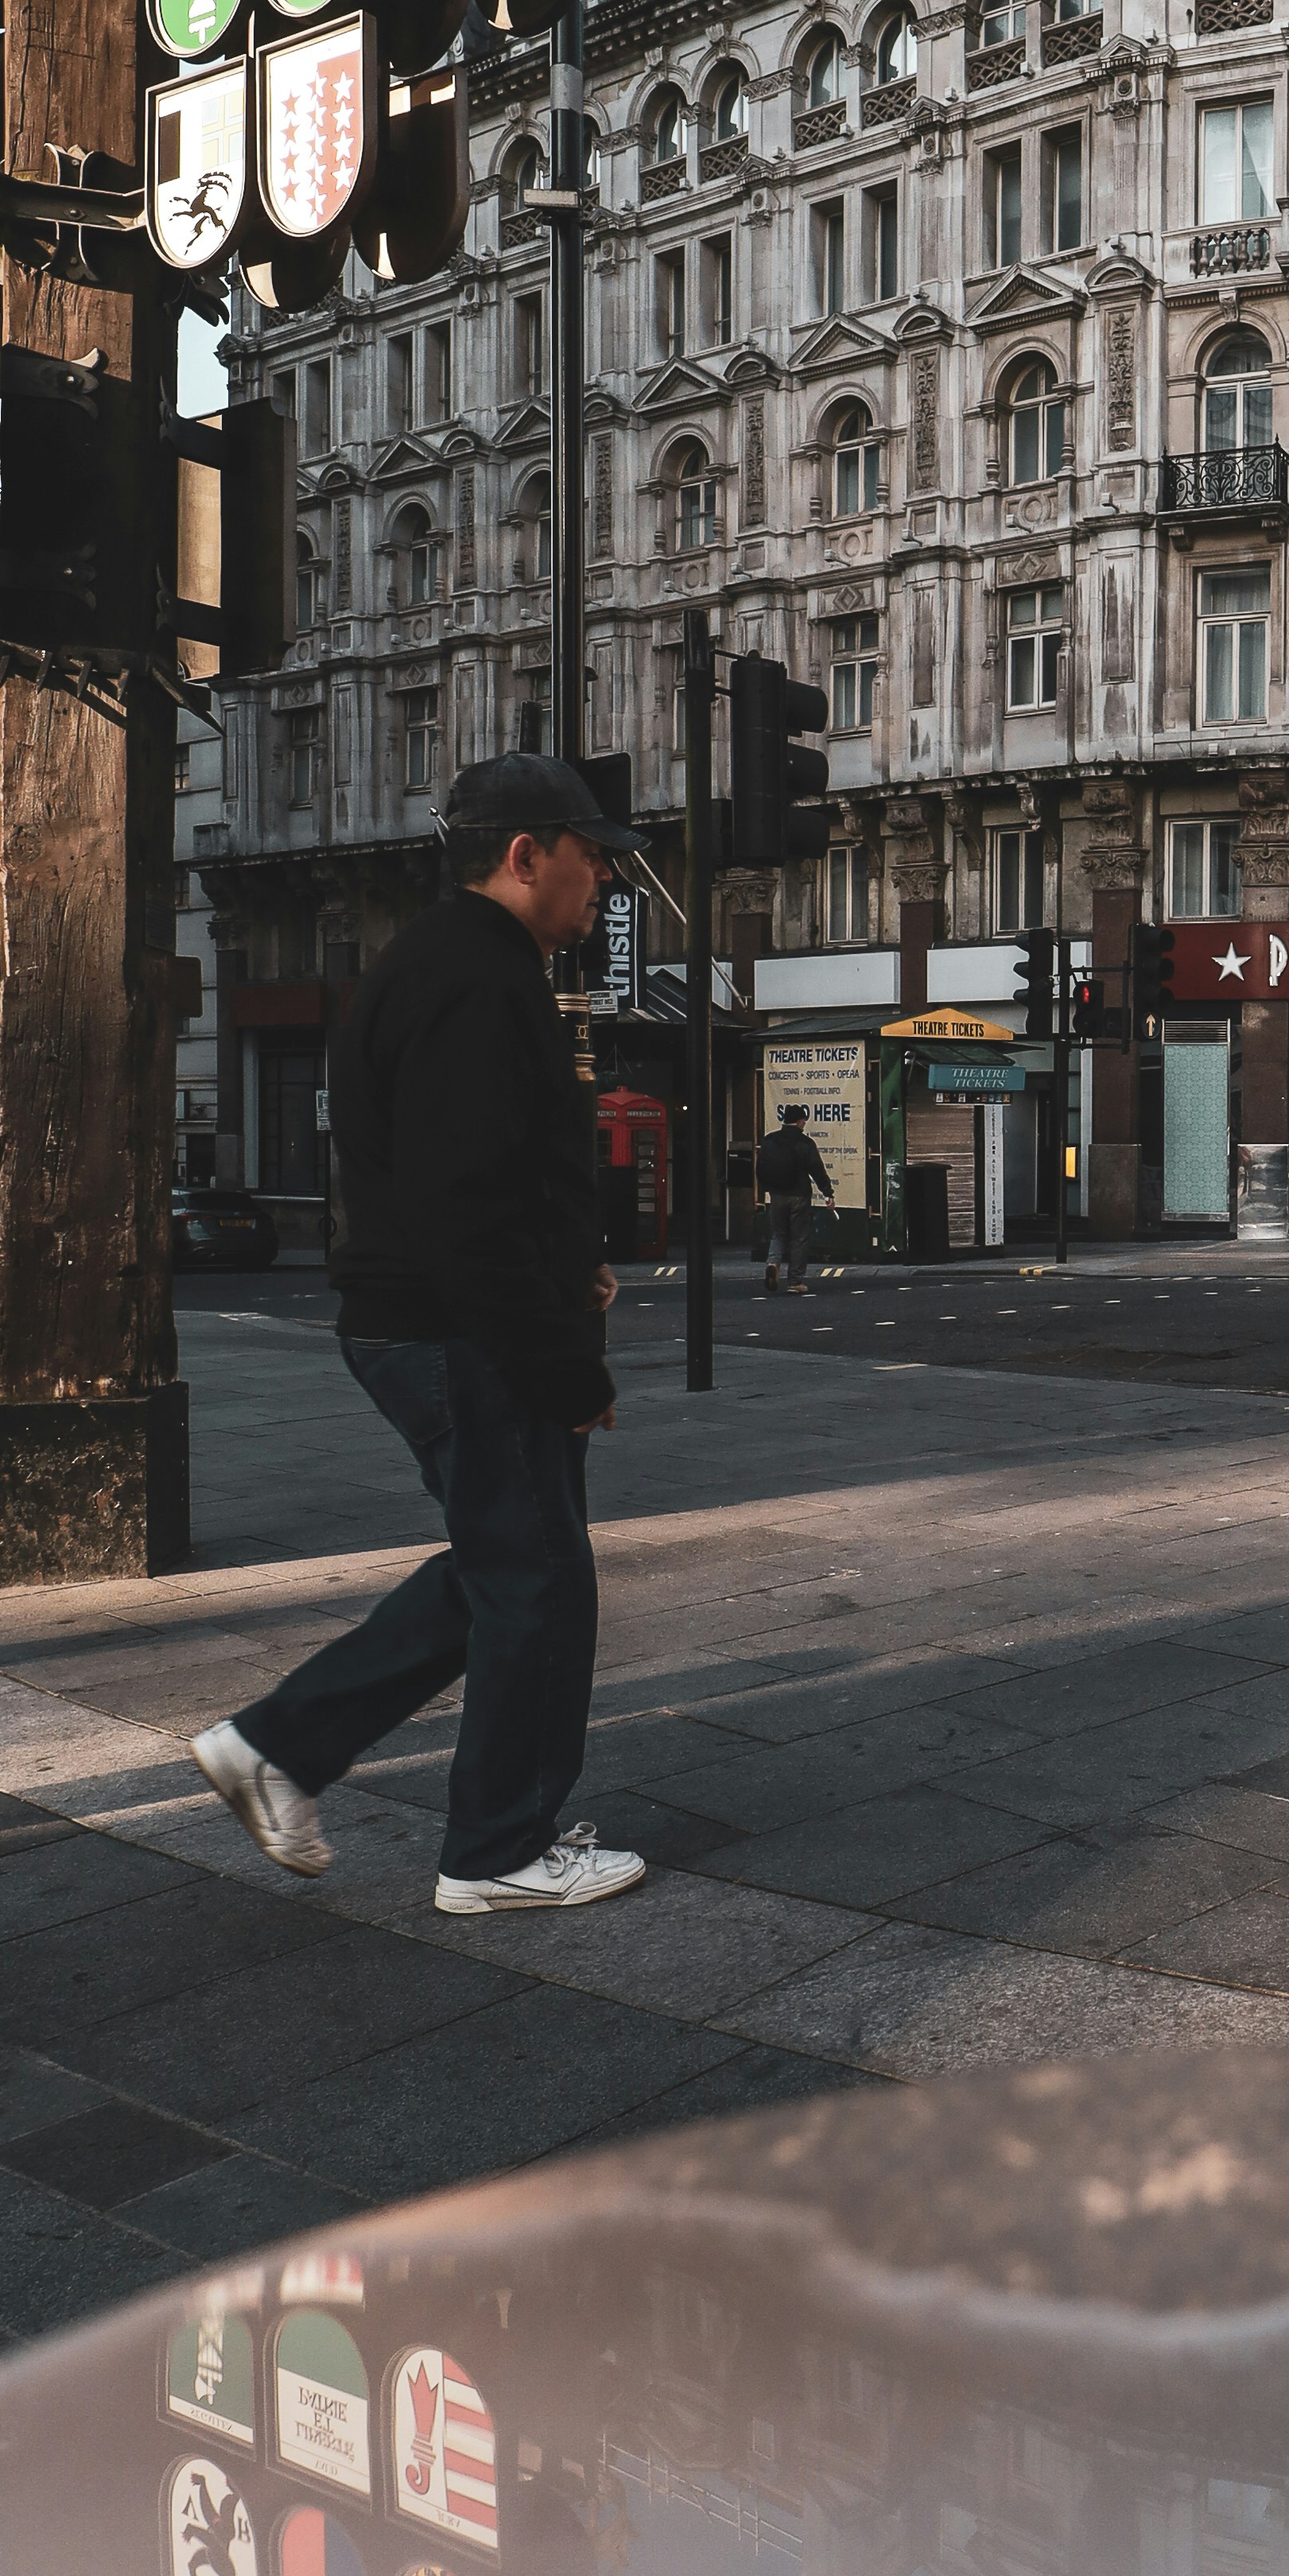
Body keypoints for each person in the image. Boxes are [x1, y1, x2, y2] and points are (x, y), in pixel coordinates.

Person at [193, 754, 648, 1916]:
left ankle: (280, 1747)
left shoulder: (453, 964)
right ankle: (496, 1852)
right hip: (463, 1338)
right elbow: (467, 1203)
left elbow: (480, 1181)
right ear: (524, 854)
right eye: (590, 854)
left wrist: (567, 1269)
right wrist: (562, 1363)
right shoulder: (477, 981)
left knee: (507, 1569)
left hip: (445, 1326)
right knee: (538, 1586)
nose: (604, 876)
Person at [756, 1100, 834, 1287]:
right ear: (799, 1122)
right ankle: (795, 1281)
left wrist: (767, 1188)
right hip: (799, 1194)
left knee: (778, 1234)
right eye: (804, 1121)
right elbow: (816, 1169)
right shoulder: (805, 1143)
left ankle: (773, 1263)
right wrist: (827, 1192)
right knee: (799, 1238)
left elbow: (760, 1168)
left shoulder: (769, 1140)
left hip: (777, 1195)